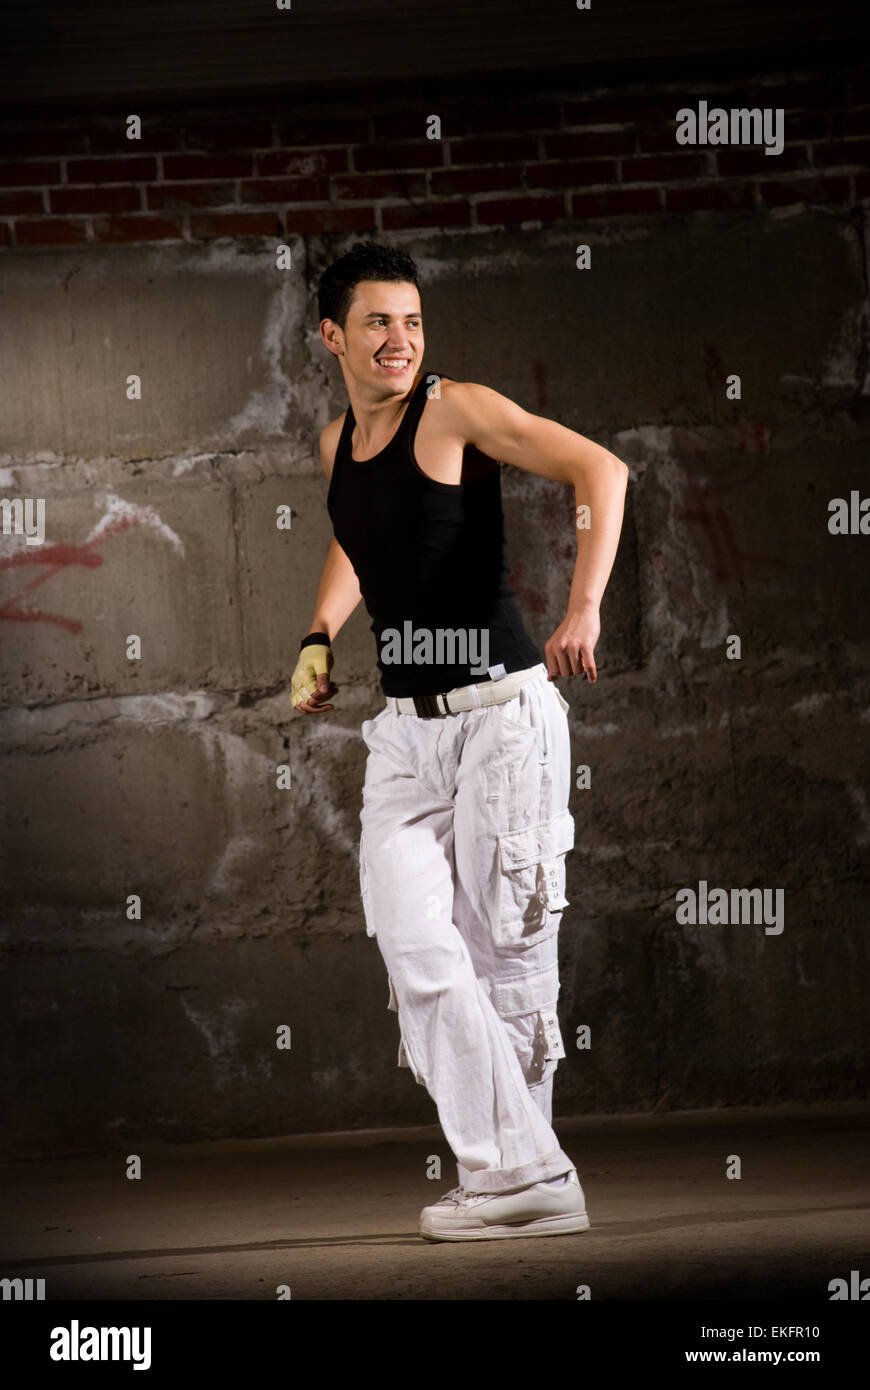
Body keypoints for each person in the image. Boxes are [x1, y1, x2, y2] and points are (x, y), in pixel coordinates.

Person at [291, 240, 628, 1242]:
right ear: (332, 336)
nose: (400, 341)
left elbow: (598, 469)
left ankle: (516, 1177)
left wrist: (585, 608)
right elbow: (361, 540)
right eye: (377, 323)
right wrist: (317, 634)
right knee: (414, 942)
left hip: (500, 717)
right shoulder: (334, 443)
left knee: (506, 955)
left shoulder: (456, 408)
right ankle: (523, 1169)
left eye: (413, 321)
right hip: (405, 735)